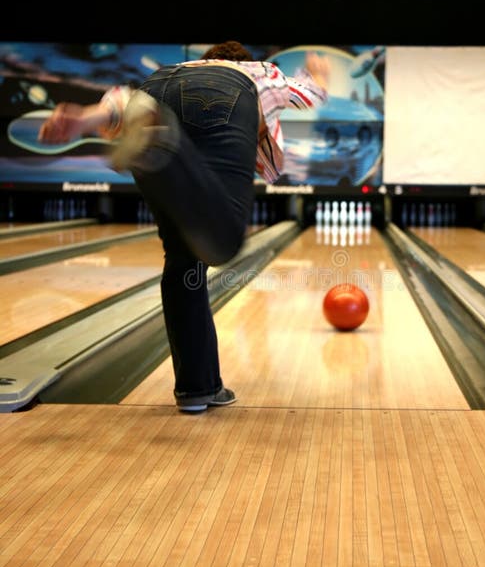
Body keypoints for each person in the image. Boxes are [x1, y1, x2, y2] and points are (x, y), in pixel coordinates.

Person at [39, 42, 330, 412]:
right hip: (222, 101)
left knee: (183, 263)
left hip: (152, 92)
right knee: (222, 242)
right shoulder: (257, 72)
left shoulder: (176, 69)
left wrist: (88, 119)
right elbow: (309, 93)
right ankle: (163, 145)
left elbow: (124, 100)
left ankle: (198, 388)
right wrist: (318, 78)